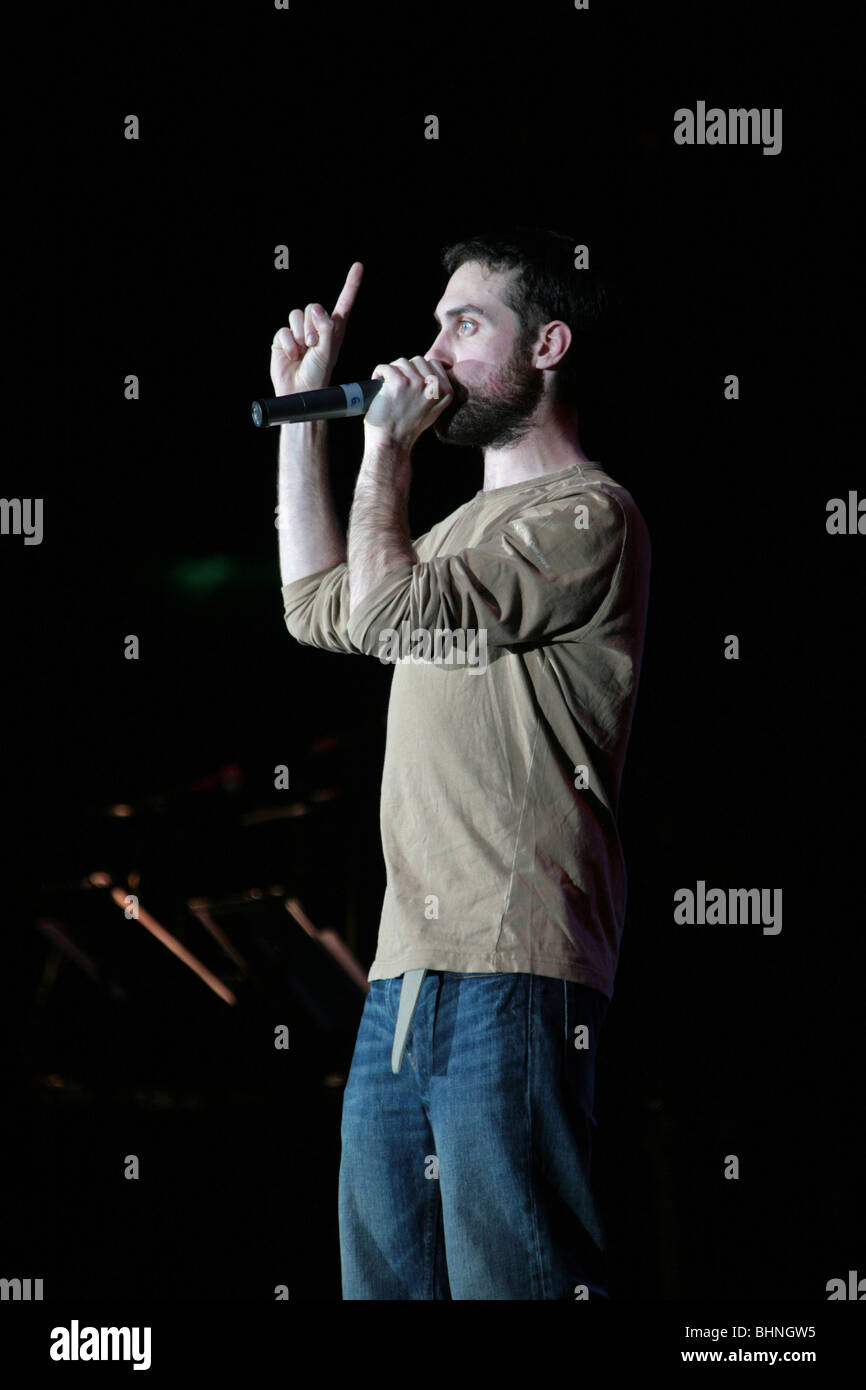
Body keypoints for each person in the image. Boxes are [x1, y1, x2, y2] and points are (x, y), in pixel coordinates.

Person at [272, 227, 651, 1299]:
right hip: (401, 978)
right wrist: (306, 416)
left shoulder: (586, 516)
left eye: (464, 323)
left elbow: (384, 606)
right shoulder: (450, 535)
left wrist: (386, 446)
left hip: (513, 966)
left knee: (513, 1282)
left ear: (547, 345)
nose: (430, 349)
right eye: (433, 322)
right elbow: (320, 610)